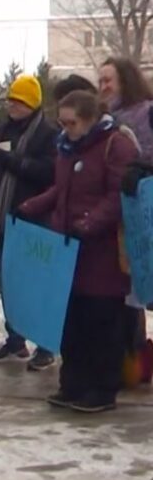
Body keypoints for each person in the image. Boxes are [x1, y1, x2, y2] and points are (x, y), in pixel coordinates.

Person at [19, 90, 137, 412]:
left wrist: (90, 223)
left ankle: (102, 388)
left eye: (71, 123)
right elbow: (62, 188)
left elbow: (118, 196)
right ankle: (72, 383)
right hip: (68, 249)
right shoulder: (68, 147)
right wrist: (32, 206)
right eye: (62, 122)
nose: (65, 128)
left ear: (89, 119)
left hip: (102, 252)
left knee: (100, 322)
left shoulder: (115, 145)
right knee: (72, 321)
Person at [0, 74, 58, 369]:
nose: (12, 106)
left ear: (32, 104)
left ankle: (45, 346)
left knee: (34, 285)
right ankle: (15, 339)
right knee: (6, 283)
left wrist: (15, 162)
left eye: (19, 101)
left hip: (31, 221)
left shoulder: (48, 134)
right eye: (10, 100)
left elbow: (50, 172)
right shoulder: (2, 130)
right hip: (0, 219)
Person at [97, 57, 153, 387]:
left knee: (140, 288)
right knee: (126, 292)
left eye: (109, 80)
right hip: (115, 217)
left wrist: (143, 170)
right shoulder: (104, 119)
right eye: (100, 80)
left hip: (142, 212)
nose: (103, 86)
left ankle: (137, 362)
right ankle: (130, 362)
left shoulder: (146, 112)